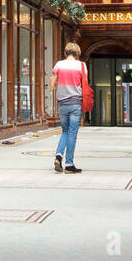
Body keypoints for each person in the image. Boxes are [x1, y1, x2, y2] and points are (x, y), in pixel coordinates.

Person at [49, 42, 86, 173]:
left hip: (62, 103)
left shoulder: (59, 64)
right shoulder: (81, 66)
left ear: (66, 52)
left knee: (65, 130)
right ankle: (69, 164)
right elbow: (84, 83)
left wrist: (57, 86)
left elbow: (52, 84)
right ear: (77, 53)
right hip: (75, 103)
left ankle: (59, 156)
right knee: (72, 132)